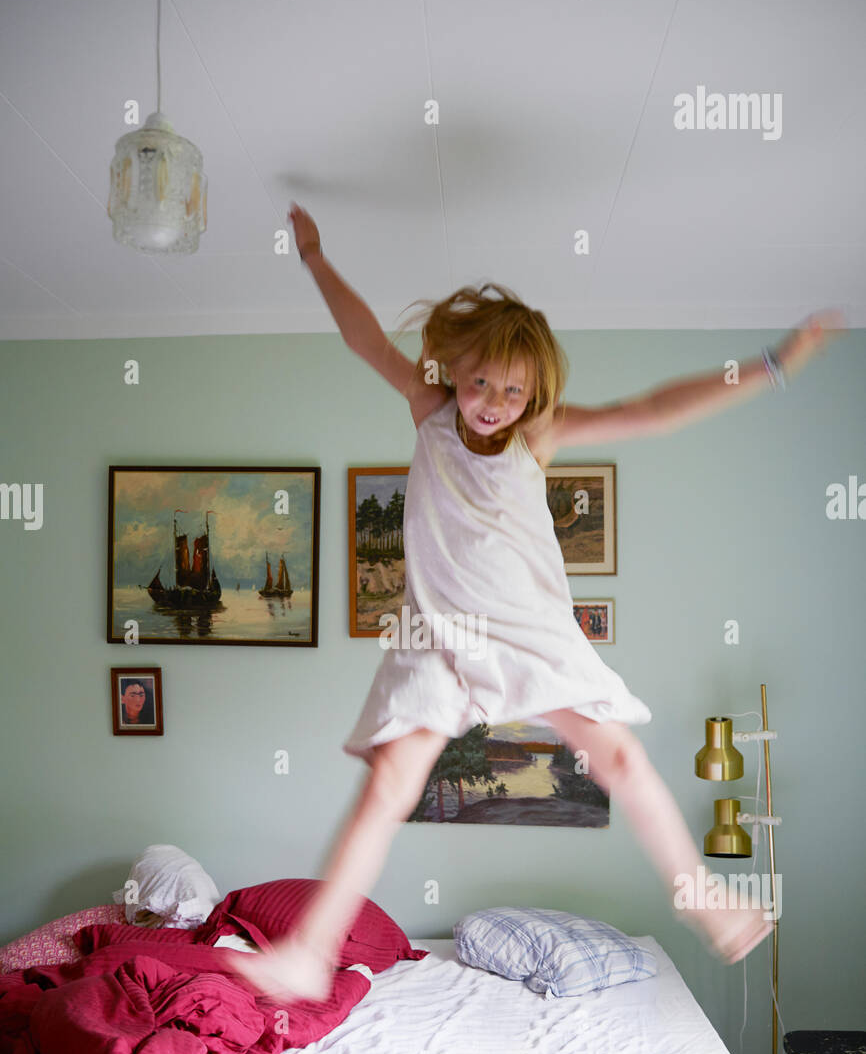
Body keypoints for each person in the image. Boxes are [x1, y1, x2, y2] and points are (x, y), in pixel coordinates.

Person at [231, 203, 845, 1004]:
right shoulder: (430, 412)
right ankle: (307, 954)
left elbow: (654, 410)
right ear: (453, 371)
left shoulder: (538, 438)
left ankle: (700, 894)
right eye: (479, 380)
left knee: (619, 757)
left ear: (533, 393)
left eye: (511, 389)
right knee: (389, 783)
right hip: (438, 635)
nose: (491, 401)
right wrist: (314, 256)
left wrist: (771, 364)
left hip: (529, 630)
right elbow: (364, 338)